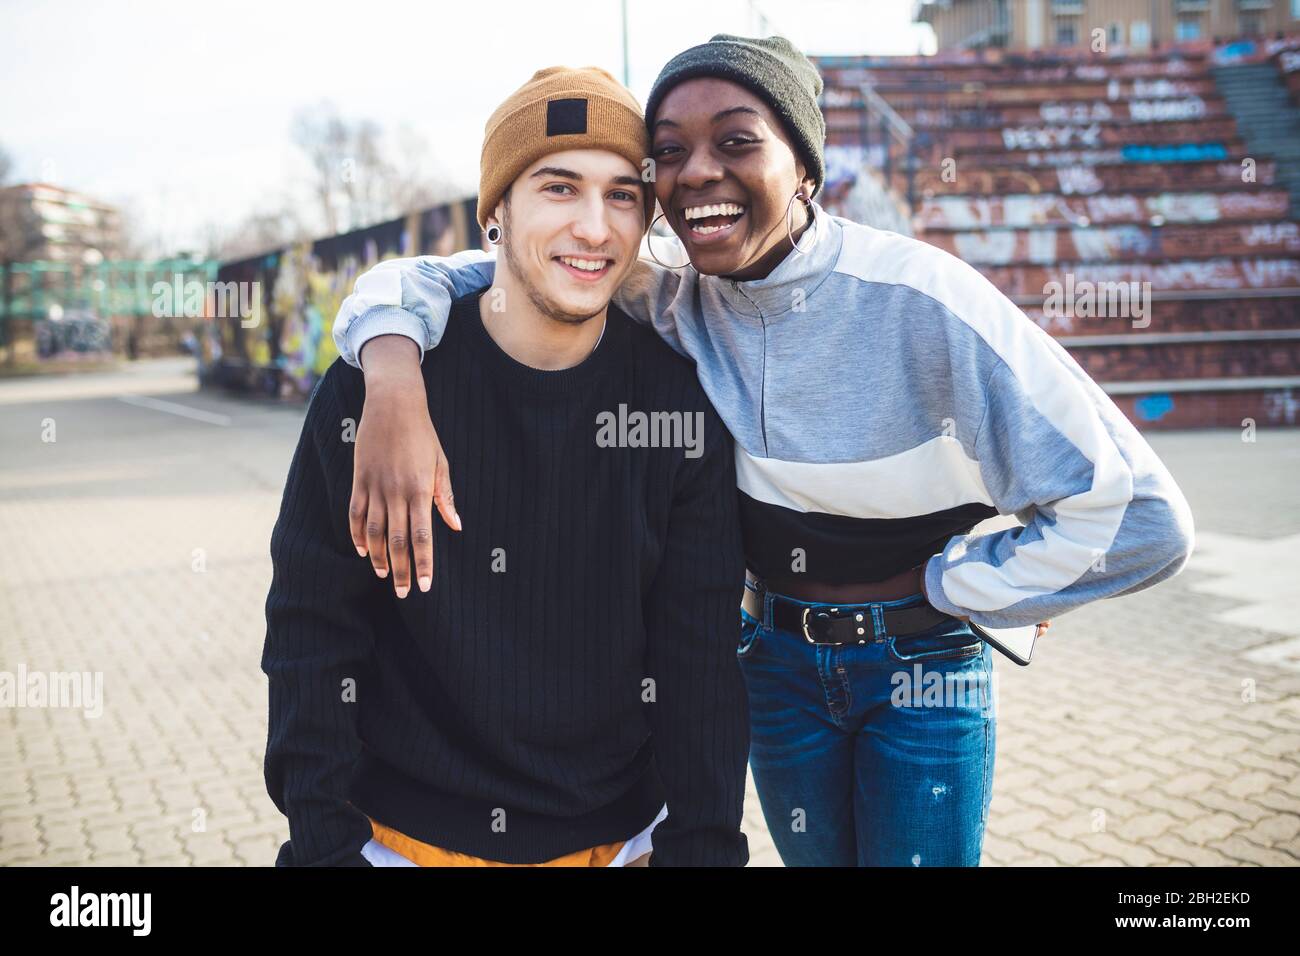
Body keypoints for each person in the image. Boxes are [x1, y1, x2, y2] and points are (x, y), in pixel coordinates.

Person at [329, 35, 1195, 866]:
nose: (699, 170)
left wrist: (970, 585)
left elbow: (1142, 516)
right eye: (668, 152)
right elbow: (474, 270)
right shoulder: (666, 294)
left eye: (737, 140)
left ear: (806, 167)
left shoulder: (926, 300)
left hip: (922, 671)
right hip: (772, 667)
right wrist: (394, 373)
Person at [262, 65, 750, 868]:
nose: (595, 227)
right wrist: (324, 844)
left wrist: (702, 850)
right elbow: (311, 632)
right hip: (402, 843)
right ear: (496, 212)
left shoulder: (676, 407)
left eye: (623, 194)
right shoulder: (377, 390)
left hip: (615, 841)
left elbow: (697, 662)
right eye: (559, 188)